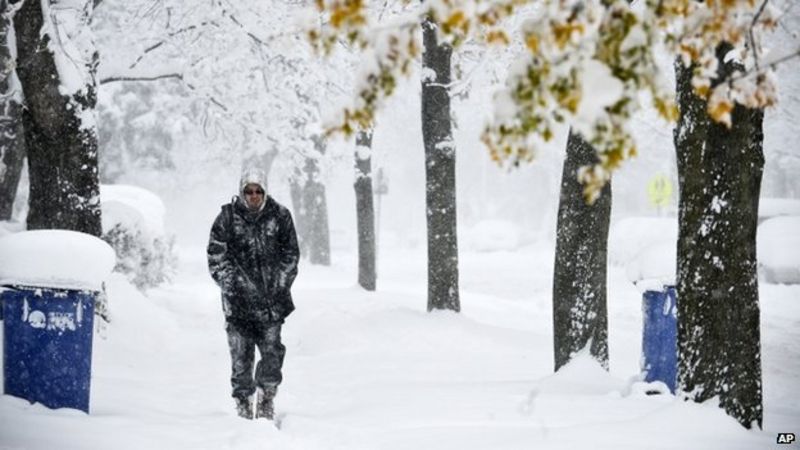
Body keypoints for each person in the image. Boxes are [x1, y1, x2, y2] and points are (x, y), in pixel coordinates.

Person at [207, 168, 299, 420]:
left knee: (272, 355)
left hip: (272, 306)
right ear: (241, 191)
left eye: (259, 191)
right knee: (240, 360)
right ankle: (243, 406)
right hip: (238, 308)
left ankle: (267, 400)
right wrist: (236, 287)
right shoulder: (226, 218)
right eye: (249, 191)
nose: (254, 196)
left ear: (265, 192)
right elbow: (216, 258)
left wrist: (277, 285)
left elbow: (291, 256)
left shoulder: (280, 216)